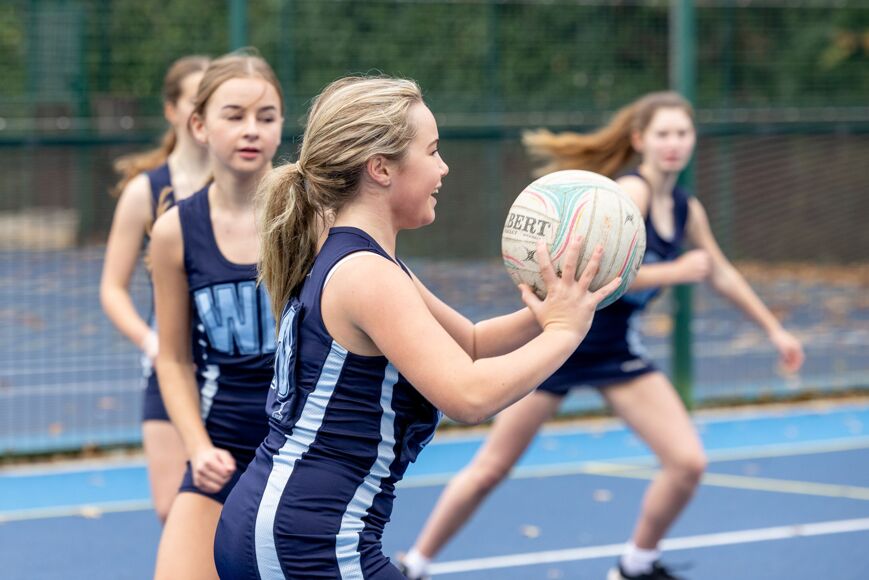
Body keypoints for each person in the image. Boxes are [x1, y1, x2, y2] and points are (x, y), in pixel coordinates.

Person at [212, 75, 621, 579]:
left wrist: (558, 307)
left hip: (285, 527)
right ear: (381, 168)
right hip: (307, 540)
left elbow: (470, 344)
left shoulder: (367, 261)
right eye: (432, 151)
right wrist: (564, 333)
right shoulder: (367, 275)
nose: (444, 167)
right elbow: (469, 396)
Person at [398, 91, 806, 580]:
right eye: (663, 133)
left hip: (613, 350)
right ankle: (415, 564)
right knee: (491, 467)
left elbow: (720, 272)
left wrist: (775, 331)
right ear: (640, 140)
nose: (674, 143)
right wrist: (676, 271)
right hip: (557, 341)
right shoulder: (628, 194)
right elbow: (598, 277)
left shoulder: (686, 209)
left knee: (687, 462)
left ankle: (635, 565)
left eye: (682, 133)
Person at [149, 51, 284, 580]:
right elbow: (173, 359)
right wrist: (199, 448)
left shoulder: (314, 217)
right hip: (224, 448)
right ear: (199, 126)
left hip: (304, 454)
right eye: (235, 115)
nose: (251, 129)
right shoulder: (175, 232)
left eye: (266, 117)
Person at [99, 55, 211, 523]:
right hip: (173, 362)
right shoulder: (146, 191)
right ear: (172, 110)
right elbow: (112, 288)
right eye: (195, 100)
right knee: (173, 508)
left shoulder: (249, 186)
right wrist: (152, 342)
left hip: (240, 368)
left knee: (238, 506)